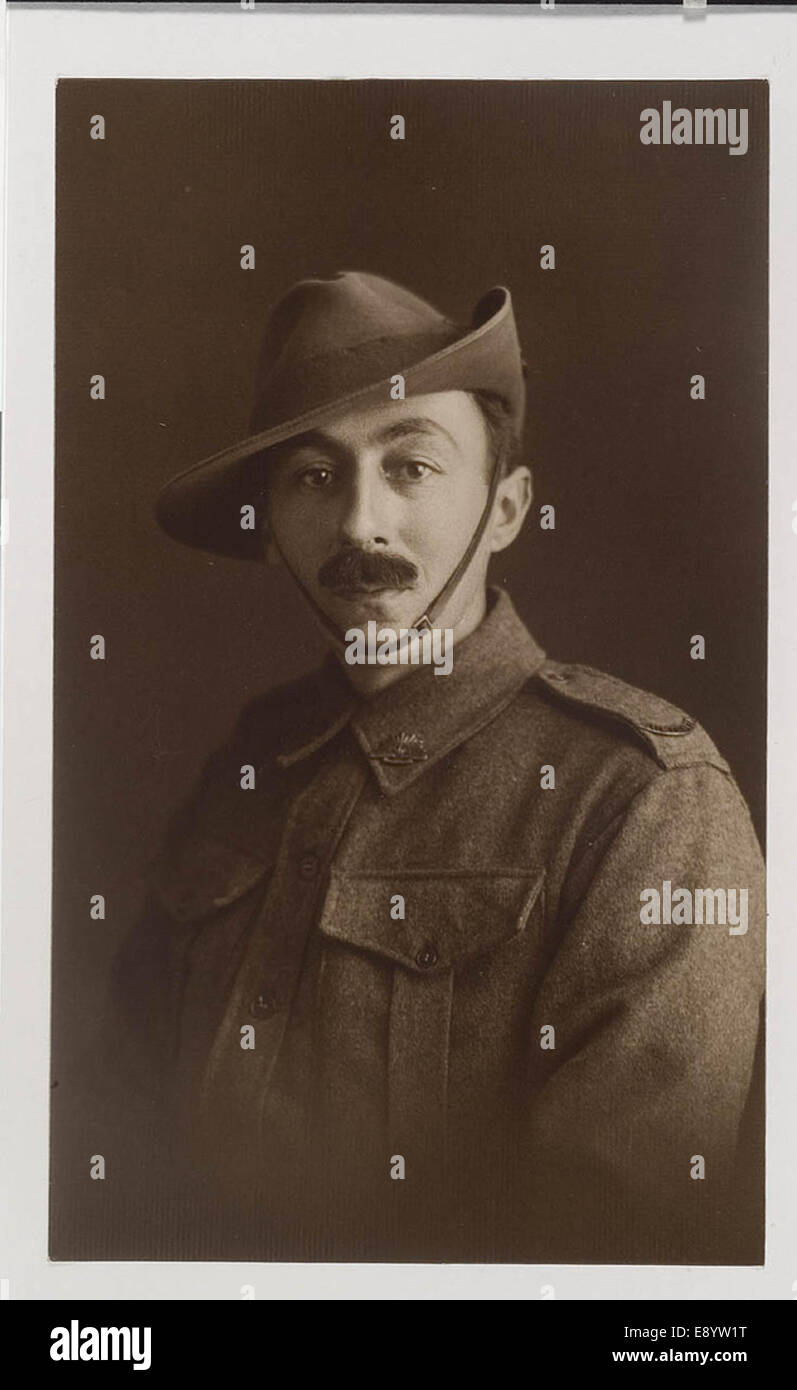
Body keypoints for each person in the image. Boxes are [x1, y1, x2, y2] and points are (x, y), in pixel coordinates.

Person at [100, 270, 764, 1264]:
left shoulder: (642, 798)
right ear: (271, 531)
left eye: (409, 467)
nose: (360, 525)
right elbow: (114, 1131)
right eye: (314, 478)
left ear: (503, 511)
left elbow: (610, 1253)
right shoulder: (245, 768)